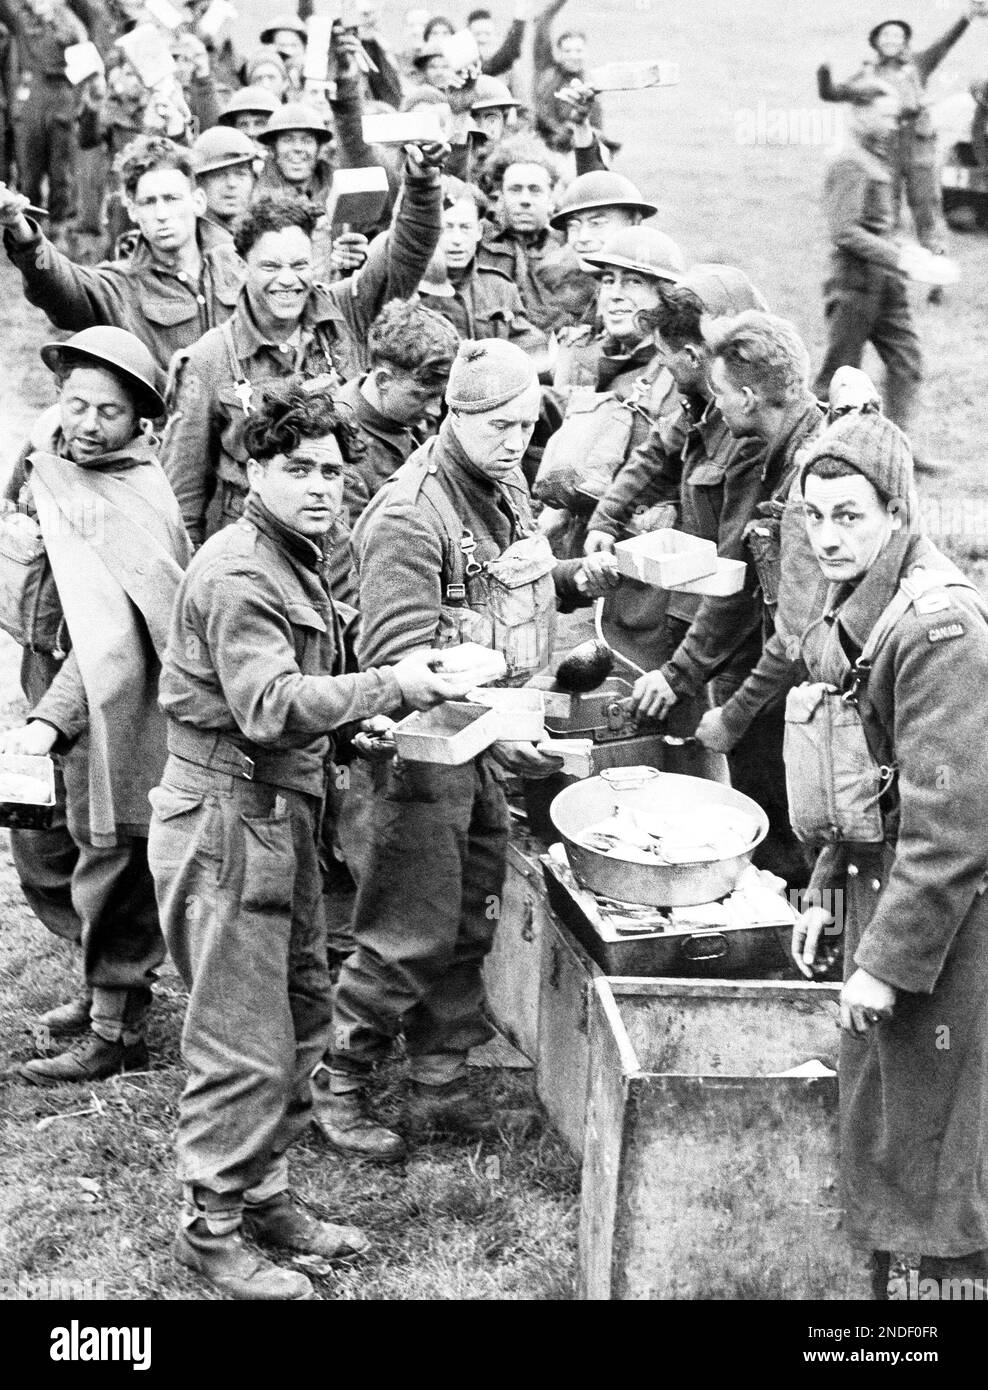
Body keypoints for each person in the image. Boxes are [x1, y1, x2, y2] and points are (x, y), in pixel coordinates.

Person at [148, 379, 475, 1300]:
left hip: (273, 815)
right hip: (226, 821)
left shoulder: (291, 556)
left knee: (296, 1014)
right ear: (255, 469)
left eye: (334, 470)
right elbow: (267, 705)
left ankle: (267, 1197)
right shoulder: (244, 571)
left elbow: (297, 703)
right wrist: (391, 687)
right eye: (299, 469)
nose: (323, 487)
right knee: (239, 1036)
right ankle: (210, 1232)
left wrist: (349, 723)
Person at [310, 339, 603, 1162]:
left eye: (525, 424)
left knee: (469, 916)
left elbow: (515, 591)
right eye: (499, 425)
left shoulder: (498, 482)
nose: (516, 440)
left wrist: (586, 577)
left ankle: (441, 1079)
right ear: (453, 416)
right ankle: (341, 1082)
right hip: (411, 764)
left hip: (473, 749)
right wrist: (516, 726)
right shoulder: (410, 515)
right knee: (405, 931)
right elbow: (404, 672)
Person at [789, 409, 988, 1301]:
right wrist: (824, 886)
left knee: (941, 1141)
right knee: (893, 1126)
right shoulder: (865, 600)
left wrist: (885, 965)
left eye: (850, 516)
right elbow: (865, 775)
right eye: (814, 514)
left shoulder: (941, 631)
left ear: (897, 513)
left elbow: (952, 830)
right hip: (890, 892)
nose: (828, 538)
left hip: (951, 924)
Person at [0, 326, 190, 1084]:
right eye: (75, 404)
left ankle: (119, 1026)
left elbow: (113, 637)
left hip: (117, 700)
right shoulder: (54, 465)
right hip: (47, 678)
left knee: (116, 853)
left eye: (107, 412)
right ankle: (94, 981)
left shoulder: (137, 496)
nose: (86, 423)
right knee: (46, 841)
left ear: (140, 424)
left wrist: (54, 719)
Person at [161, 140, 444, 546]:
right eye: (271, 266)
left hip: (345, 538)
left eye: (299, 265)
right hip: (255, 548)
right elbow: (183, 496)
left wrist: (422, 182)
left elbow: (410, 248)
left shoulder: (347, 312)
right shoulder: (210, 359)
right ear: (242, 268)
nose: (288, 280)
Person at [660, 309, 825, 886]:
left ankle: (813, 954)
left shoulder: (810, 487)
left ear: (751, 397)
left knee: (812, 850)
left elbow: (796, 635)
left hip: (823, 699)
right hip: (799, 686)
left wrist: (732, 715)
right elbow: (745, 581)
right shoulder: (783, 458)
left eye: (722, 394)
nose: (718, 408)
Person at [0, 136, 243, 373]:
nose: (161, 214)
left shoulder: (239, 264)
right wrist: (21, 228)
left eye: (171, 199)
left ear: (198, 201)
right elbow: (58, 282)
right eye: (149, 202)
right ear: (134, 211)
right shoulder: (119, 286)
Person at [534, 226, 683, 558]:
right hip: (587, 554)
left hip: (644, 557)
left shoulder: (678, 374)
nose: (615, 294)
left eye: (633, 282)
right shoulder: (591, 359)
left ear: (666, 296)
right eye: (608, 281)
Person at [818, 6, 987, 258]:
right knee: (888, 201)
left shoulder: (920, 64)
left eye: (897, 35)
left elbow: (945, 43)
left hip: (919, 144)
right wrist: (824, 75)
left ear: (905, 40)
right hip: (885, 147)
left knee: (926, 201)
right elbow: (832, 93)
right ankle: (890, 253)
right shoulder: (868, 74)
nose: (891, 40)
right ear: (875, 40)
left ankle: (935, 258)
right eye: (885, 35)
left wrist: (968, 16)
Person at [813, 85, 923, 436]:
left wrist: (907, 252)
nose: (893, 124)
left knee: (906, 362)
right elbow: (844, 231)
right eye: (885, 116)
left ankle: (896, 445)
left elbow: (878, 224)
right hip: (854, 282)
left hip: (886, 281)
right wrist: (898, 258)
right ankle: (815, 446)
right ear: (859, 114)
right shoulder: (848, 160)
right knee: (839, 372)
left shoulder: (874, 156)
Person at [0, 0, 99, 244]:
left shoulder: (71, 23)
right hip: (32, 97)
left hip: (62, 96)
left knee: (60, 169)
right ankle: (26, 225)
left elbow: (88, 64)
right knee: (29, 169)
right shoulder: (23, 21)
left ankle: (59, 227)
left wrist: (86, 94)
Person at [425, 182, 548, 357]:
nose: (457, 240)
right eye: (447, 228)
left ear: (479, 231)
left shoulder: (500, 288)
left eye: (466, 228)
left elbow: (531, 346)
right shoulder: (412, 289)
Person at [477, 134, 582, 334]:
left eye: (535, 190)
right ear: (500, 197)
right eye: (515, 190)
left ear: (551, 199)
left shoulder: (570, 246)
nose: (525, 200)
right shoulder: (476, 241)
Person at [532, 0, 606, 153]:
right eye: (568, 51)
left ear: (585, 52)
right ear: (559, 53)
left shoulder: (590, 85)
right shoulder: (547, 70)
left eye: (578, 51)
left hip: (580, 151)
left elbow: (597, 127)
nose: (573, 56)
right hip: (548, 149)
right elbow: (542, 26)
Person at [255, 101, 334, 202]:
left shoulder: (337, 187)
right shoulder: (255, 195)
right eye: (287, 140)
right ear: (273, 149)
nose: (298, 148)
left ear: (318, 148)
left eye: (307, 141)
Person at [190, 126, 259, 234]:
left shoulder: (264, 235)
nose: (231, 183)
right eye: (219, 175)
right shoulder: (189, 239)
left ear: (253, 180)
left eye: (240, 174)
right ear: (199, 182)